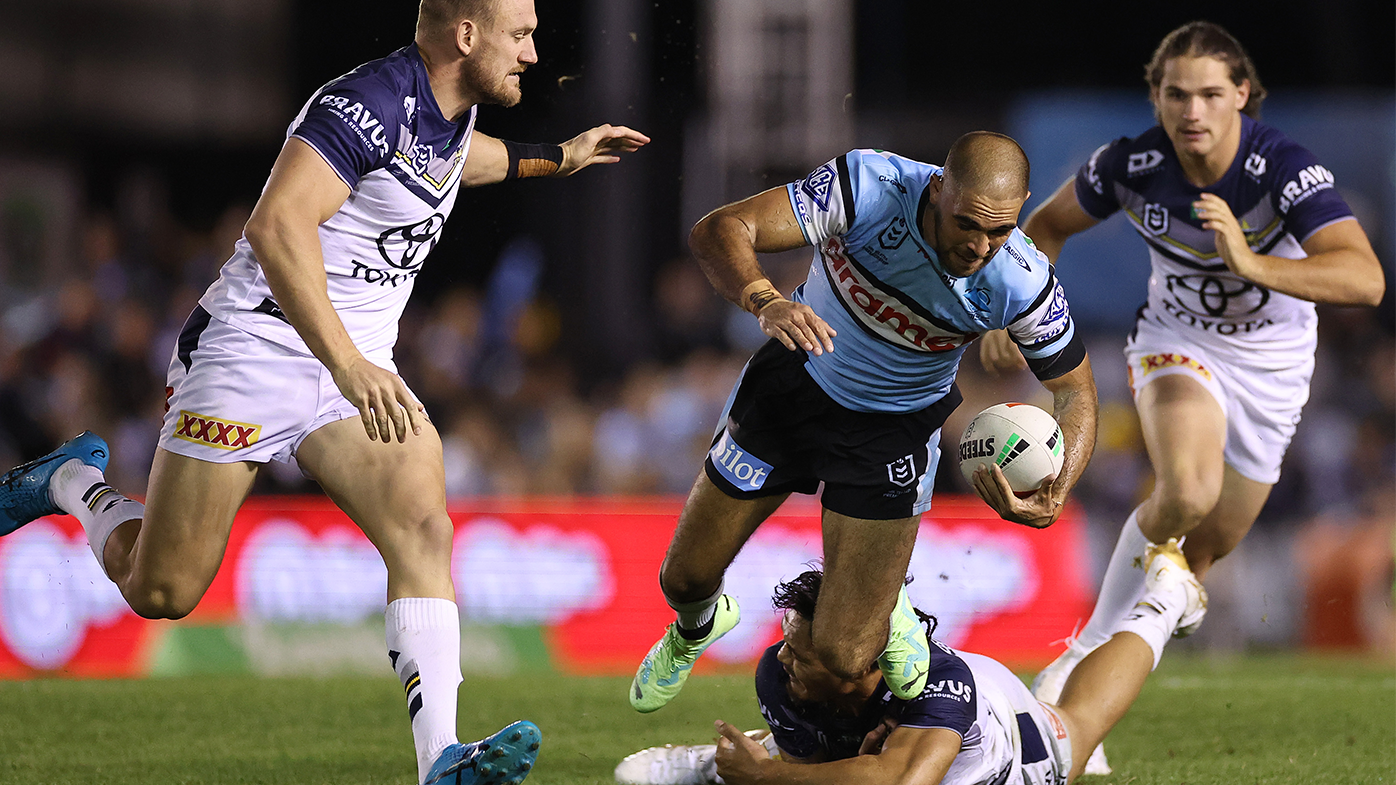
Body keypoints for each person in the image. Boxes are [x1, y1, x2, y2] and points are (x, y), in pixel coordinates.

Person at [0, 1, 647, 783]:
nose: (535, 53)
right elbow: (278, 227)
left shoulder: (444, 117)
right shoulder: (366, 102)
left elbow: (459, 161)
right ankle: (73, 481)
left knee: (423, 528)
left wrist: (559, 157)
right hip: (255, 351)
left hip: (353, 365)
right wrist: (345, 363)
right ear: (466, 35)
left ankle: (440, 757)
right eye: (521, 34)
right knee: (162, 588)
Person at [976, 20, 1385, 773]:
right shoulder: (1130, 165)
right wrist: (1015, 308)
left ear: (1242, 96)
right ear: (1156, 96)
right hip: (1177, 342)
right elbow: (1048, 225)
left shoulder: (1283, 171)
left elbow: (1364, 278)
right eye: (1174, 94)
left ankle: (1100, 670)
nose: (1190, 111)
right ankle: (1073, 670)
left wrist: (1250, 260)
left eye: (1208, 94)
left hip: (1275, 365)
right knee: (1187, 491)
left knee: (1196, 559)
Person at [629, 133, 1099, 714]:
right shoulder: (869, 189)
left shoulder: (1021, 281)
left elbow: (1075, 392)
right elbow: (719, 229)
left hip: (892, 433)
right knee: (682, 580)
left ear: (1021, 207)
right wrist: (764, 299)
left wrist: (1058, 489)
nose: (980, 247)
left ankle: (891, 600)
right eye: (966, 225)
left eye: (999, 230)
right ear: (936, 189)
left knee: (846, 655)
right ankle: (696, 628)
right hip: (793, 388)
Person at [616, 554, 1205, 785]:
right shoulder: (781, 673)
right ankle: (723, 760)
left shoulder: (939, 685)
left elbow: (900, 783)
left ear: (857, 662)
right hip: (894, 751)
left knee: (1077, 724)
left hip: (1012, 743)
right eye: (788, 642)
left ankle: (1164, 599)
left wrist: (765, 779)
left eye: (802, 651)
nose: (783, 658)